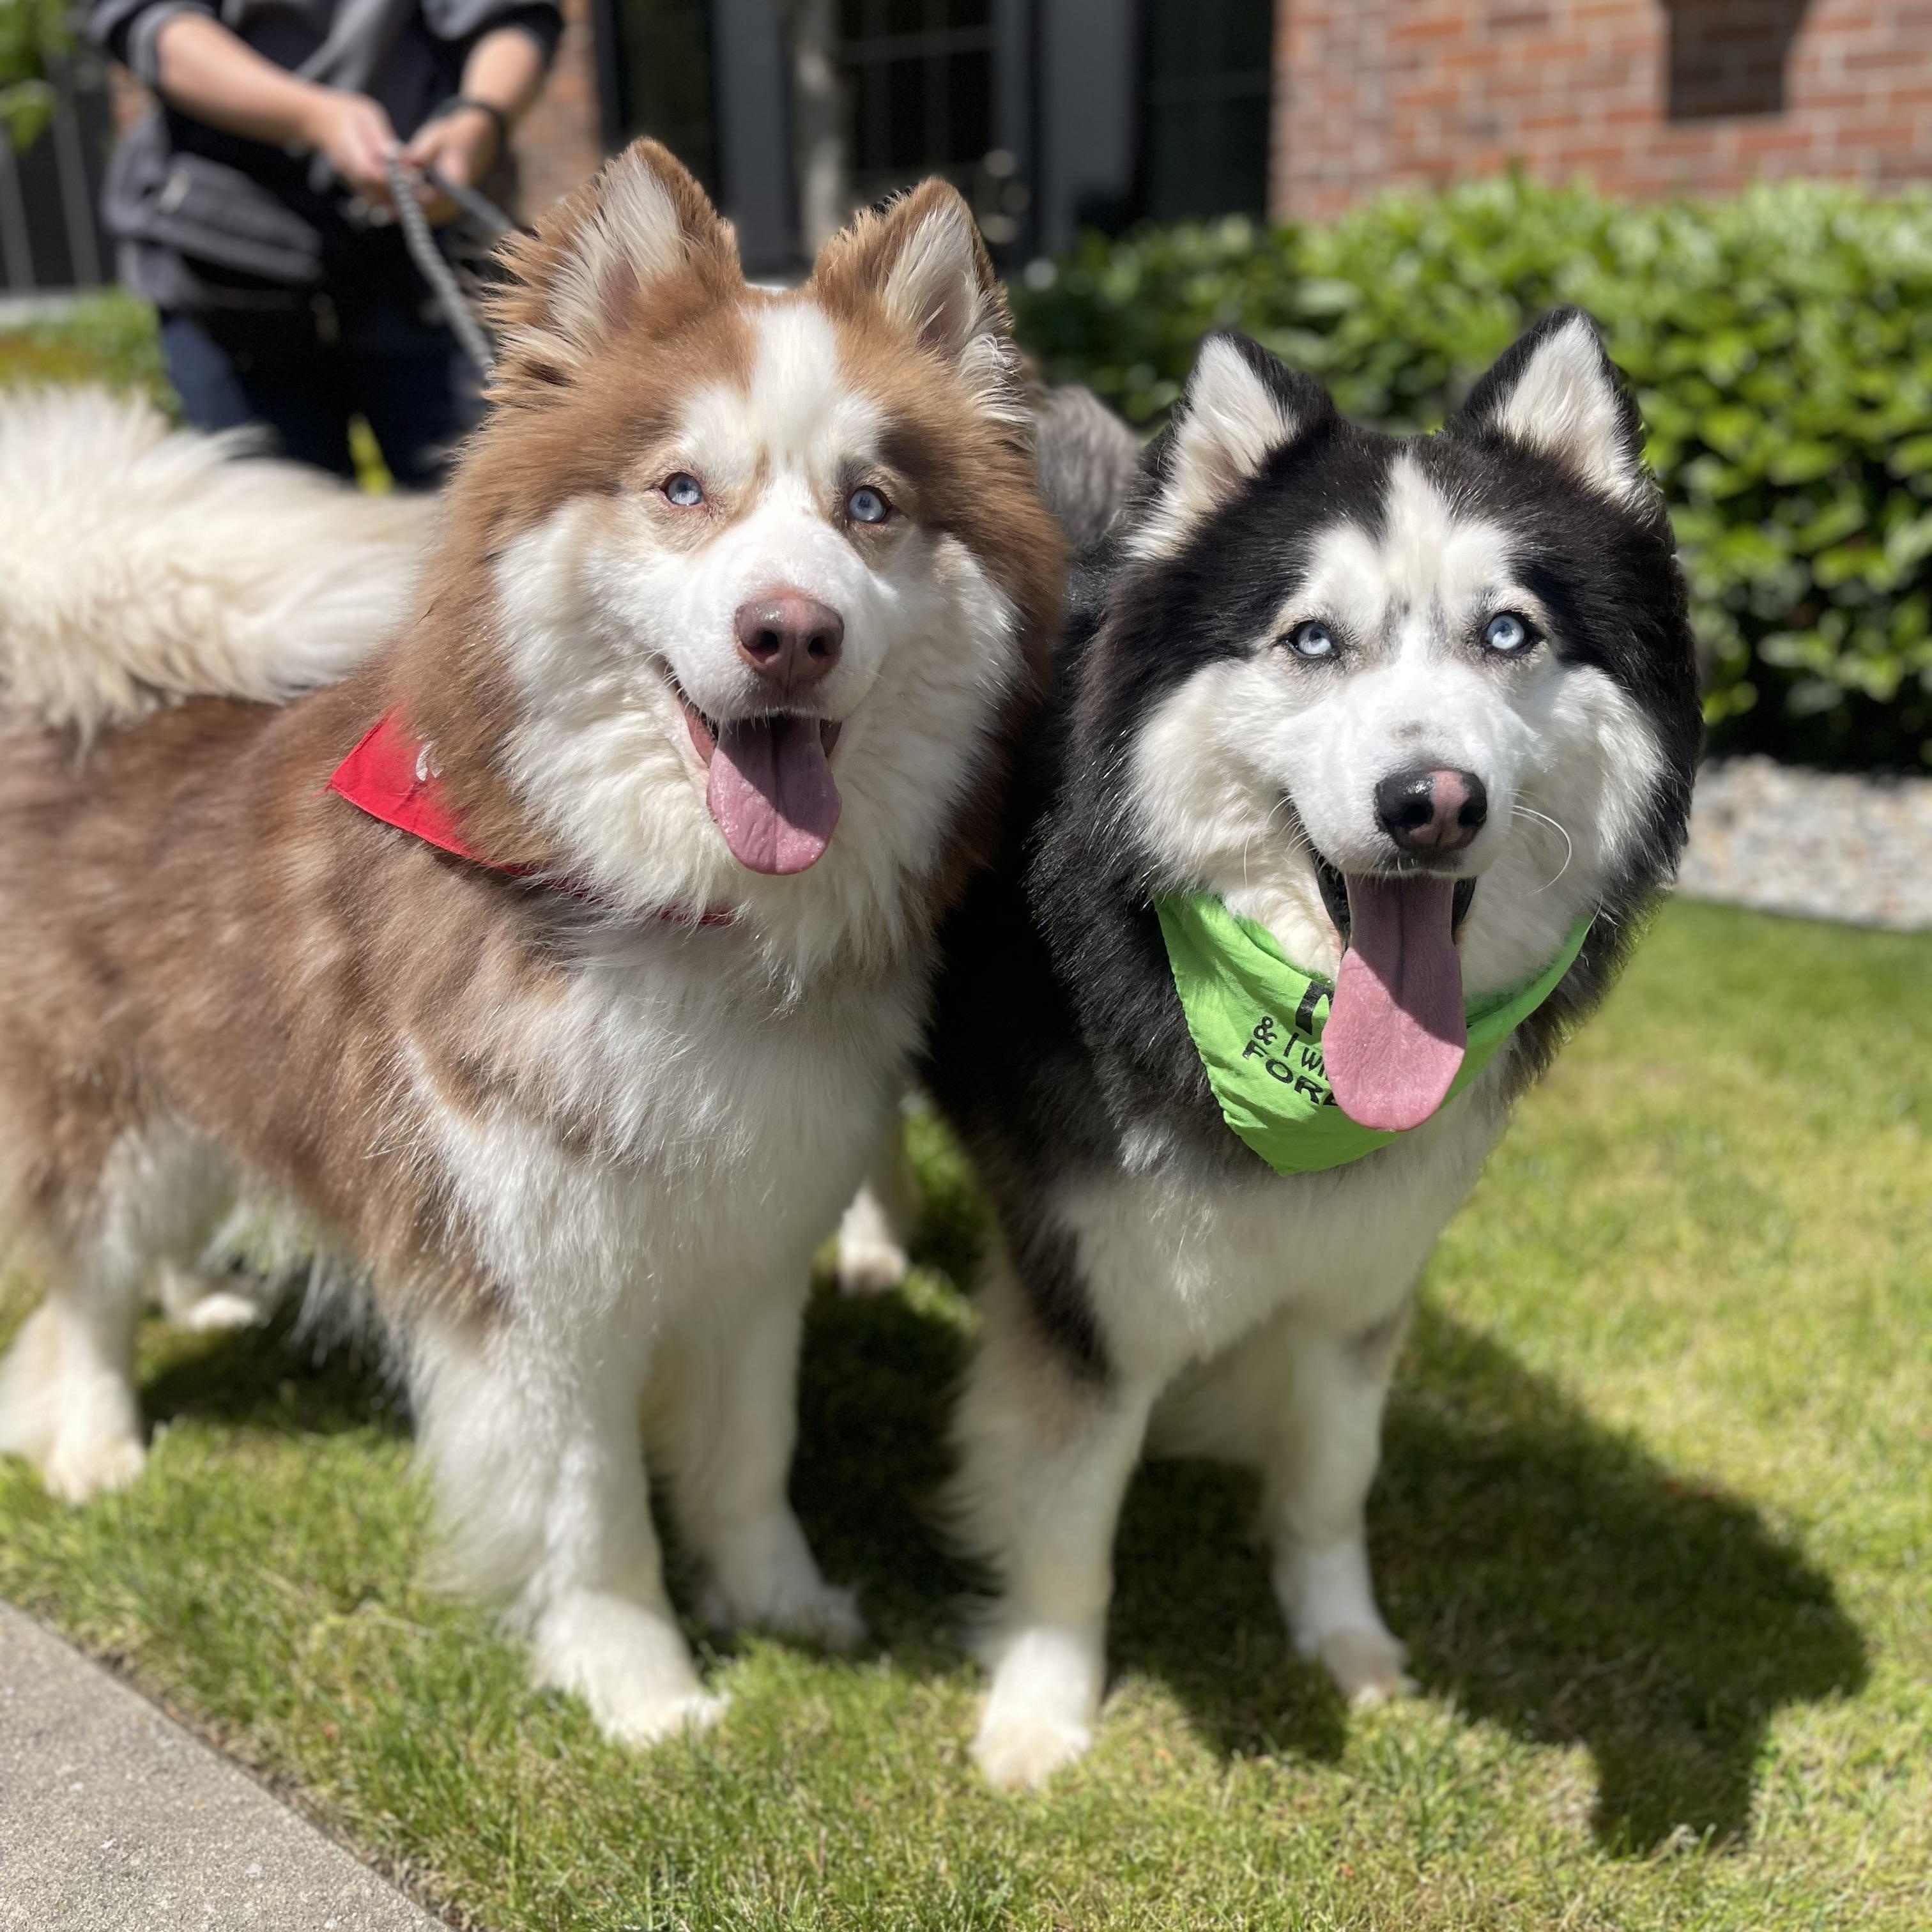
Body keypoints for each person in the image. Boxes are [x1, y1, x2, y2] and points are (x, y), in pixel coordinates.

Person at [92, 0, 564, 486]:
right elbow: (152, 23)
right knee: (275, 523)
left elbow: (515, 15)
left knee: (482, 508)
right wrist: (314, 117)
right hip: (230, 275)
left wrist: (480, 120)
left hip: (433, 268)